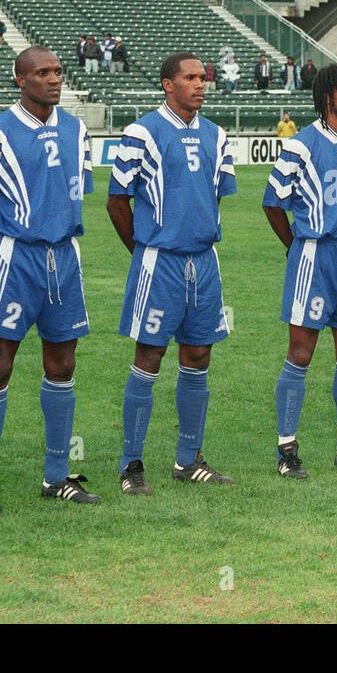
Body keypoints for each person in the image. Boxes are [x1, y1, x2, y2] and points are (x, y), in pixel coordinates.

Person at [0, 47, 97, 512]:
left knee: (62, 365)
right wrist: (4, 252)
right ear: (20, 79)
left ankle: (57, 475)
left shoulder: (77, 129)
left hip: (64, 257)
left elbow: (76, 192)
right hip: (16, 257)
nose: (54, 79)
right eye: (43, 72)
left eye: (58, 72)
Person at [108, 53, 238, 492]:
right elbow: (117, 201)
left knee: (199, 356)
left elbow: (217, 195)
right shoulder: (142, 132)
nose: (200, 85)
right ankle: (131, 464)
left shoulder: (217, 135)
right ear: (168, 84)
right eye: (190, 78)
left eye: (203, 78)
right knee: (149, 357)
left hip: (204, 262)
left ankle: (188, 459)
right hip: (158, 262)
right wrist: (144, 249)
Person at [263, 64, 337, 478]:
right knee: (301, 353)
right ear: (326, 96)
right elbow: (273, 202)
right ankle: (287, 450)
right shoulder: (301, 145)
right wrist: (296, 245)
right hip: (315, 257)